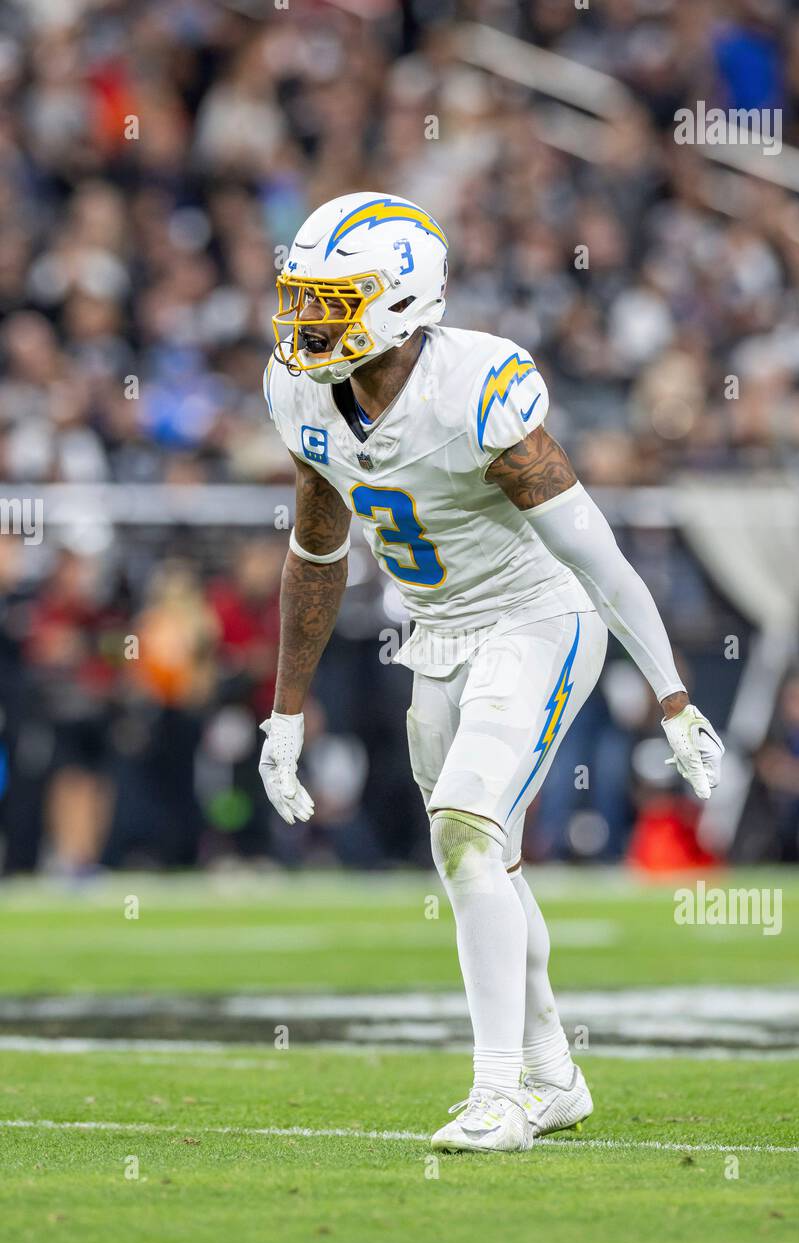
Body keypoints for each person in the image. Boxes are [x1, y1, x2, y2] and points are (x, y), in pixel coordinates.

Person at [258, 192, 725, 1153]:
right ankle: (553, 1075)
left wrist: (674, 696)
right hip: (436, 638)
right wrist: (285, 715)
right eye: (301, 297)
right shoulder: (301, 391)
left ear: (400, 301)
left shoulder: (478, 389)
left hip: (539, 620)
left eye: (332, 299)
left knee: (466, 826)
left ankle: (497, 1096)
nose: (307, 321)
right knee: (488, 862)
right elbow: (316, 551)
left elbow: (597, 557)